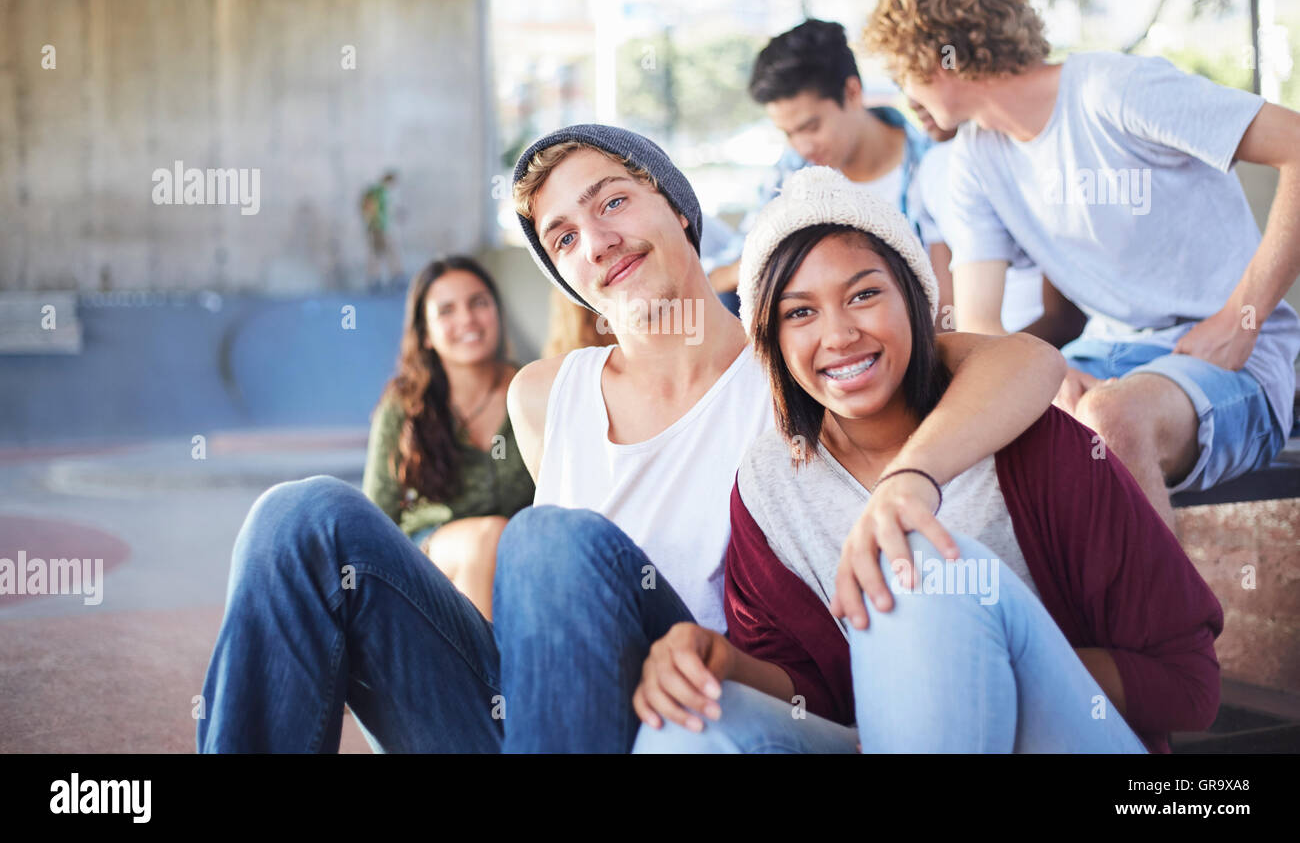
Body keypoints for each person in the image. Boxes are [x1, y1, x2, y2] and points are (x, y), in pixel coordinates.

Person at [196, 124, 1066, 753]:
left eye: (613, 199)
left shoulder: (795, 365)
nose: (597, 240)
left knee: (548, 539)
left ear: (680, 212)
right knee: (300, 517)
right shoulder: (543, 396)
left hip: (691, 710)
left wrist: (911, 478)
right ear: (564, 276)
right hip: (530, 719)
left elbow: (1025, 363)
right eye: (564, 236)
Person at [630, 167, 1223, 754]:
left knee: (917, 566)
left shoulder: (1036, 442)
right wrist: (724, 663)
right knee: (693, 725)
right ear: (772, 341)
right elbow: (819, 695)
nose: (838, 336)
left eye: (864, 294)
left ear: (914, 301)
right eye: (800, 313)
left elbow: (1188, 683)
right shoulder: (768, 485)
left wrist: (977, 676)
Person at [863, 0, 1300, 526]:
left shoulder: (1113, 90)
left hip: (1239, 358)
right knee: (954, 431)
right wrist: (1049, 379)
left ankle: (1172, 620)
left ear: (941, 55)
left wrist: (1237, 320)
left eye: (901, 71)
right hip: (1108, 354)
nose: (903, 95)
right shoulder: (972, 161)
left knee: (1112, 419)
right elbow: (981, 329)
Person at [362, 256, 534, 619]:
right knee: (487, 537)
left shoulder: (535, 388)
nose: (467, 319)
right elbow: (376, 518)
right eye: (446, 310)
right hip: (430, 551)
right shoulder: (404, 407)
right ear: (425, 333)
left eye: (478, 303)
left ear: (498, 313)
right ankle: (481, 675)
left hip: (521, 551)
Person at [707, 19, 932, 298]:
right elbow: (720, 274)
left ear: (852, 93)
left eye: (810, 127)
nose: (802, 146)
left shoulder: (931, 164)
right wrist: (765, 258)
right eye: (788, 133)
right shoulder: (791, 170)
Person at [907, 98, 1086, 346]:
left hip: (1047, 351)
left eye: (921, 75)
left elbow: (1064, 319)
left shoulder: (1030, 151)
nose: (912, 101)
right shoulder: (931, 168)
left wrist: (995, 363)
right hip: (987, 350)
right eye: (899, 84)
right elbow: (947, 308)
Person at [361, 171, 403, 289]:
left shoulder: (380, 191)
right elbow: (372, 208)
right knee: (384, 252)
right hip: (378, 228)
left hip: (379, 227)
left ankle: (379, 278)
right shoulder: (379, 191)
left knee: (381, 253)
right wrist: (375, 223)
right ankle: (383, 278)